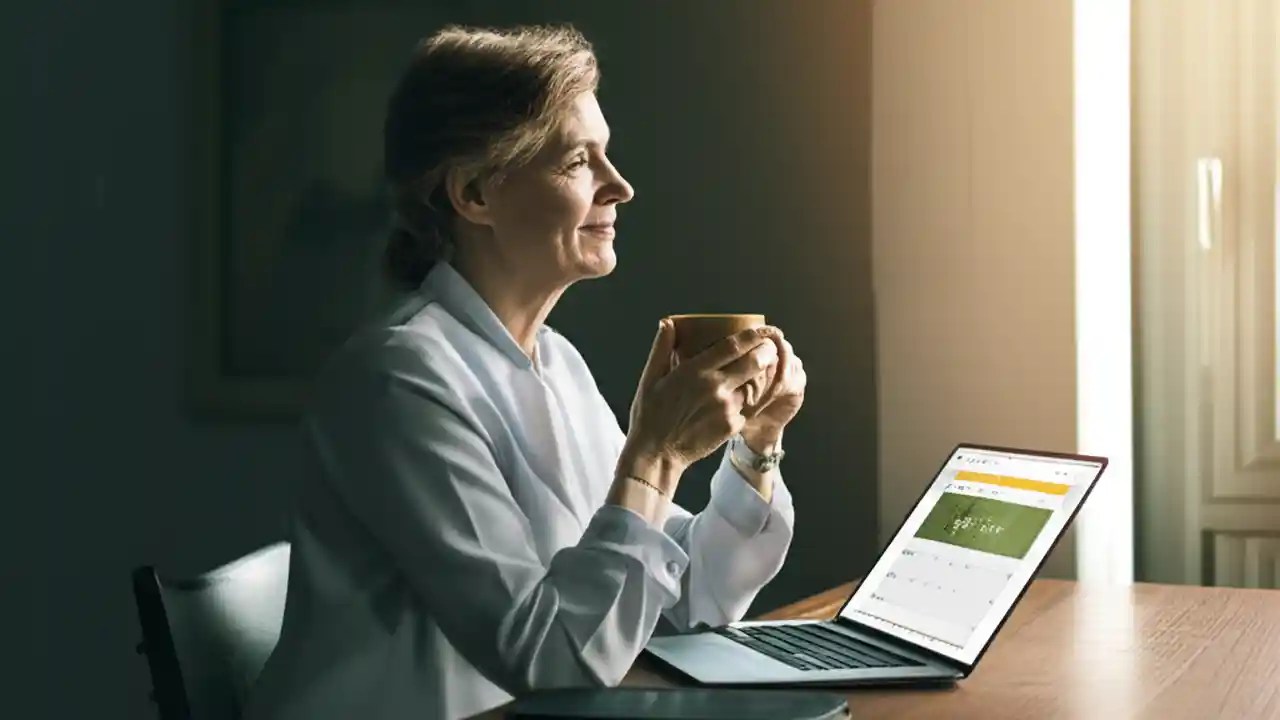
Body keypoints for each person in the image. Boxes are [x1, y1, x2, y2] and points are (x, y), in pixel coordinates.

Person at [243, 23, 808, 720]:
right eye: (578, 161)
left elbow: (685, 599)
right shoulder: (398, 380)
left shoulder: (557, 363)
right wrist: (653, 458)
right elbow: (550, 659)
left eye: (608, 155)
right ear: (474, 193)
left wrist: (756, 447)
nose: (621, 187)